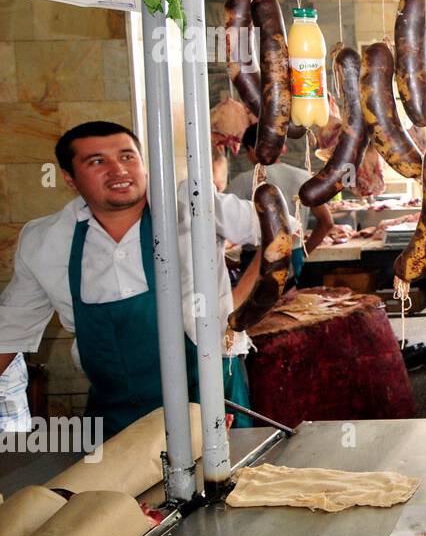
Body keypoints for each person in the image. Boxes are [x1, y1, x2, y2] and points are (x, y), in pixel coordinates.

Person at [0, 122, 259, 437]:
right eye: (97, 161)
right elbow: (8, 335)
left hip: (210, 404)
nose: (118, 169)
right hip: (119, 420)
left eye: (127, 157)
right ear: (69, 178)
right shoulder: (46, 241)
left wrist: (238, 304)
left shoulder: (191, 205)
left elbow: (283, 233)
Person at [228, 124, 333, 276]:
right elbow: (326, 223)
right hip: (294, 255)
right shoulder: (304, 177)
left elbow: (215, 220)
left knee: (258, 299)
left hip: (256, 261)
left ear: (252, 149)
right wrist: (303, 253)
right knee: (291, 299)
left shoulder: (243, 181)